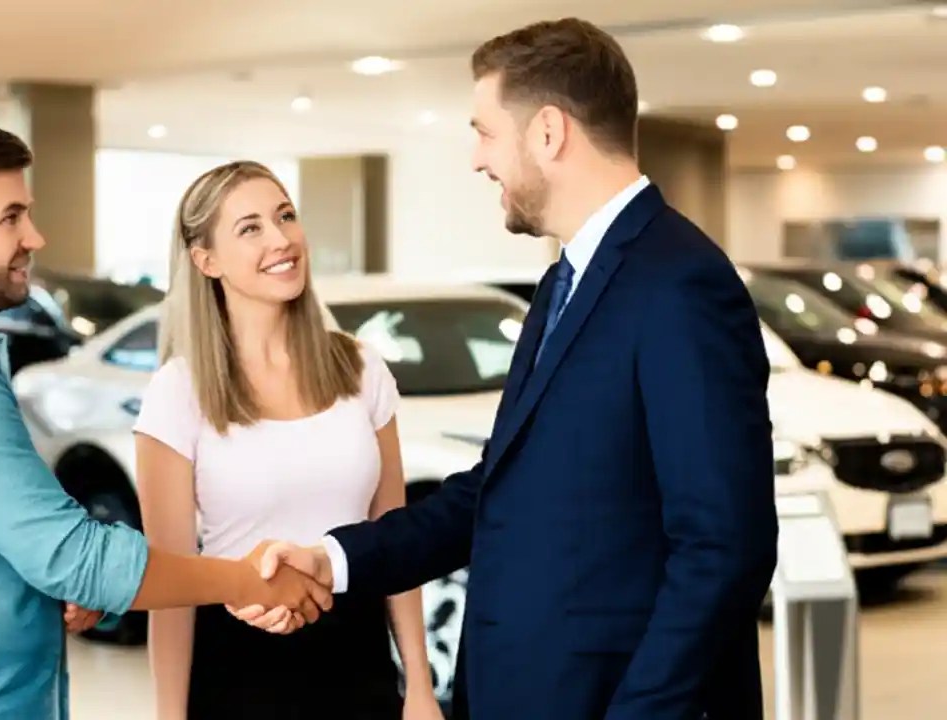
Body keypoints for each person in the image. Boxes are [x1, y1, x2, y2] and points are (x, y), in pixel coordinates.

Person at [237, 18, 779, 720]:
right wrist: (334, 561)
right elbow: (497, 489)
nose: (476, 158)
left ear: (548, 132)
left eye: (486, 131)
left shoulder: (680, 283)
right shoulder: (563, 282)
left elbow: (724, 547)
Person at [0, 122, 331, 720]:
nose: (35, 235)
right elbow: (71, 555)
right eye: (10, 218)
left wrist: (57, 591)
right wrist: (249, 582)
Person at [131, 160, 443, 720]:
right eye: (249, 227)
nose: (281, 239)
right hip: (238, 669)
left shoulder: (359, 367)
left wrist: (418, 686)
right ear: (206, 261)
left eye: (285, 216)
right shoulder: (178, 391)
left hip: (359, 660)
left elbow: (397, 539)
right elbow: (171, 586)